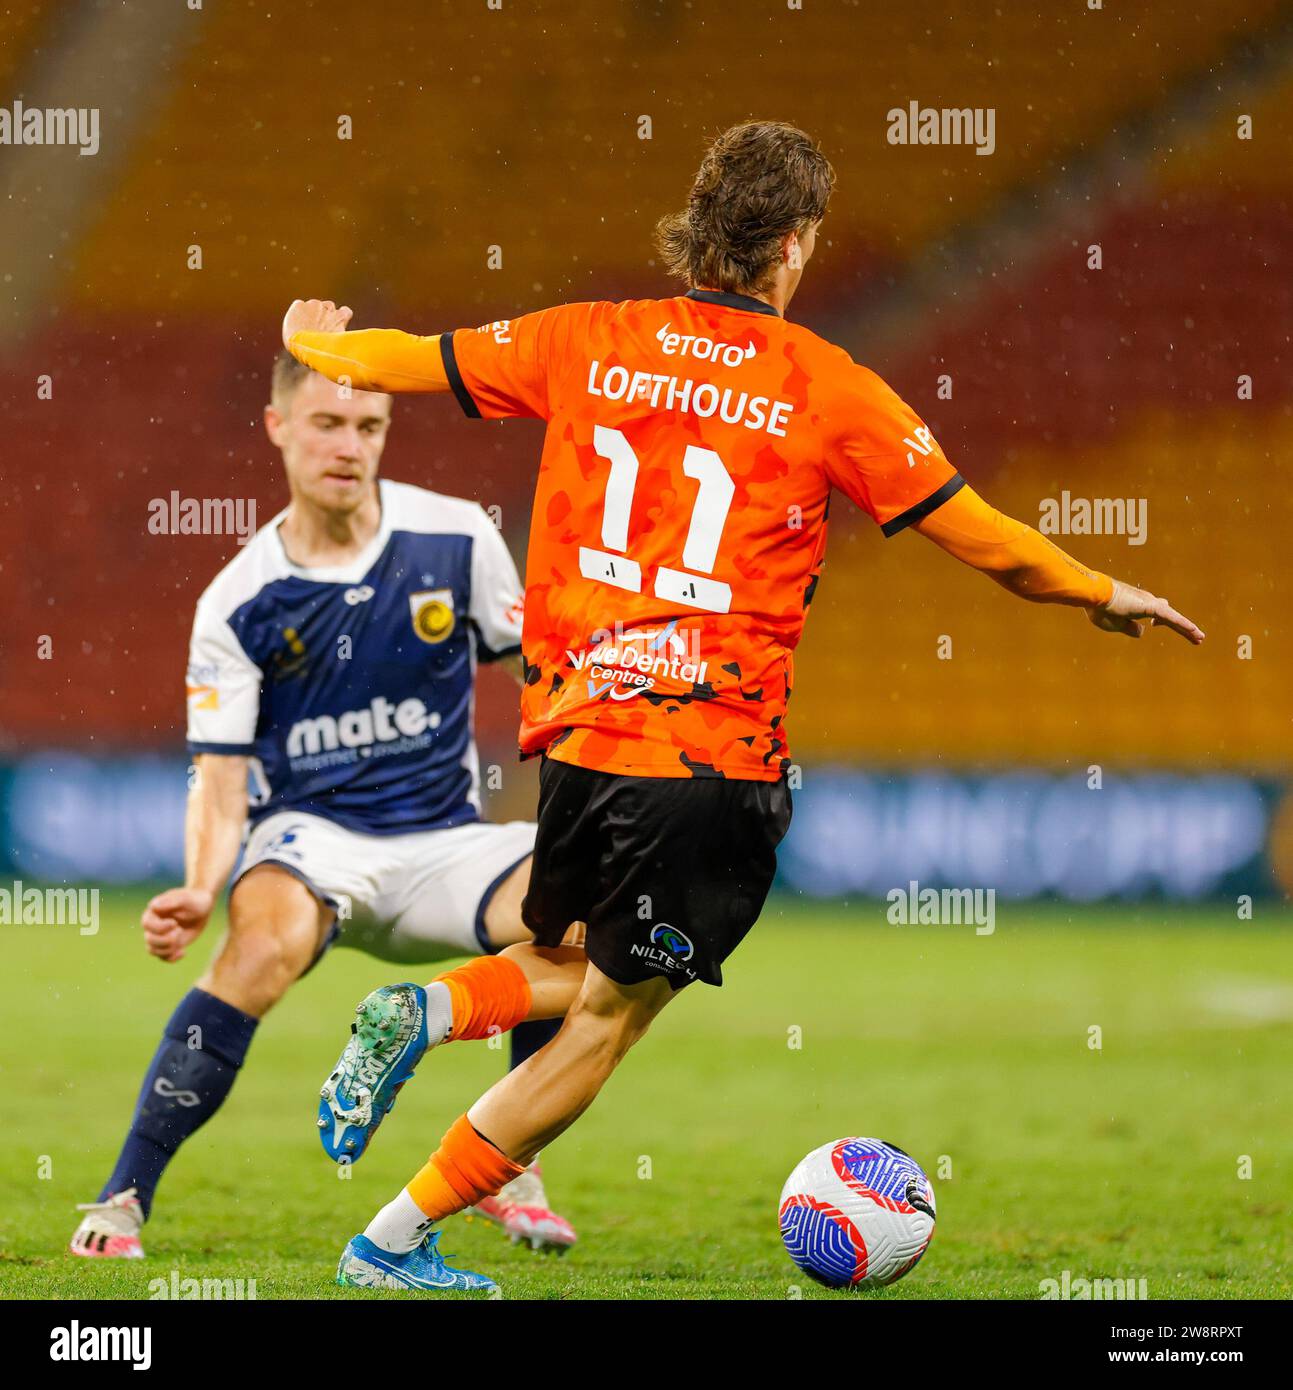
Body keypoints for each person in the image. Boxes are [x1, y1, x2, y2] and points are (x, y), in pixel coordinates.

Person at [281, 119, 1204, 1294]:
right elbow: (987, 541)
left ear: (701, 231)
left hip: (577, 734)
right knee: (613, 1016)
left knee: (569, 955)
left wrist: (325, 349)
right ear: (797, 245)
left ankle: (426, 1028)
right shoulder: (826, 386)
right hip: (707, 751)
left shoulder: (587, 339)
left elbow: (413, 360)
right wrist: (1100, 590)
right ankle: (391, 1229)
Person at [69, 353, 581, 1265]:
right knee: (257, 948)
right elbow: (221, 777)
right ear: (277, 427)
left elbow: (545, 676)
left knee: (575, 912)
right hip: (312, 842)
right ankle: (122, 1199)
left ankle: (502, 1170)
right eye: (327, 424)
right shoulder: (237, 601)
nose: (349, 445)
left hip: (445, 840)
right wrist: (199, 884)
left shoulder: (456, 538)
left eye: (369, 427)